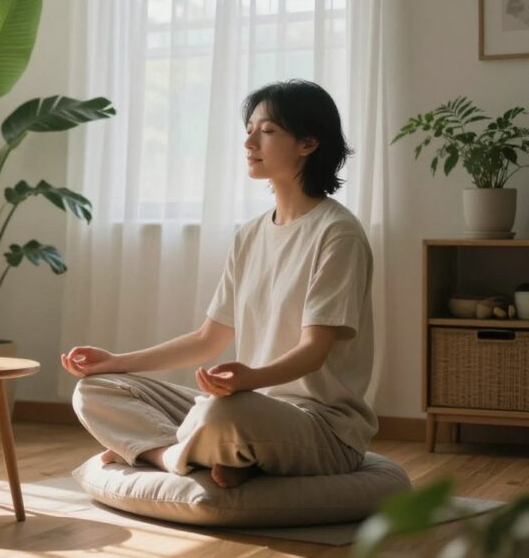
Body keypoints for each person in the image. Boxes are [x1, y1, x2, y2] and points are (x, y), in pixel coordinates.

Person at [61, 79, 376, 489]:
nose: (249, 143)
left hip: (320, 426)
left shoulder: (337, 234)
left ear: (308, 143)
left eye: (267, 131)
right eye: (249, 131)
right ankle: (179, 454)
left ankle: (159, 450)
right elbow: (208, 340)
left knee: (223, 414)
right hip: (248, 406)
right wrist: (114, 361)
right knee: (95, 390)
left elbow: (313, 353)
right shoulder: (249, 235)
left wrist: (248, 381)